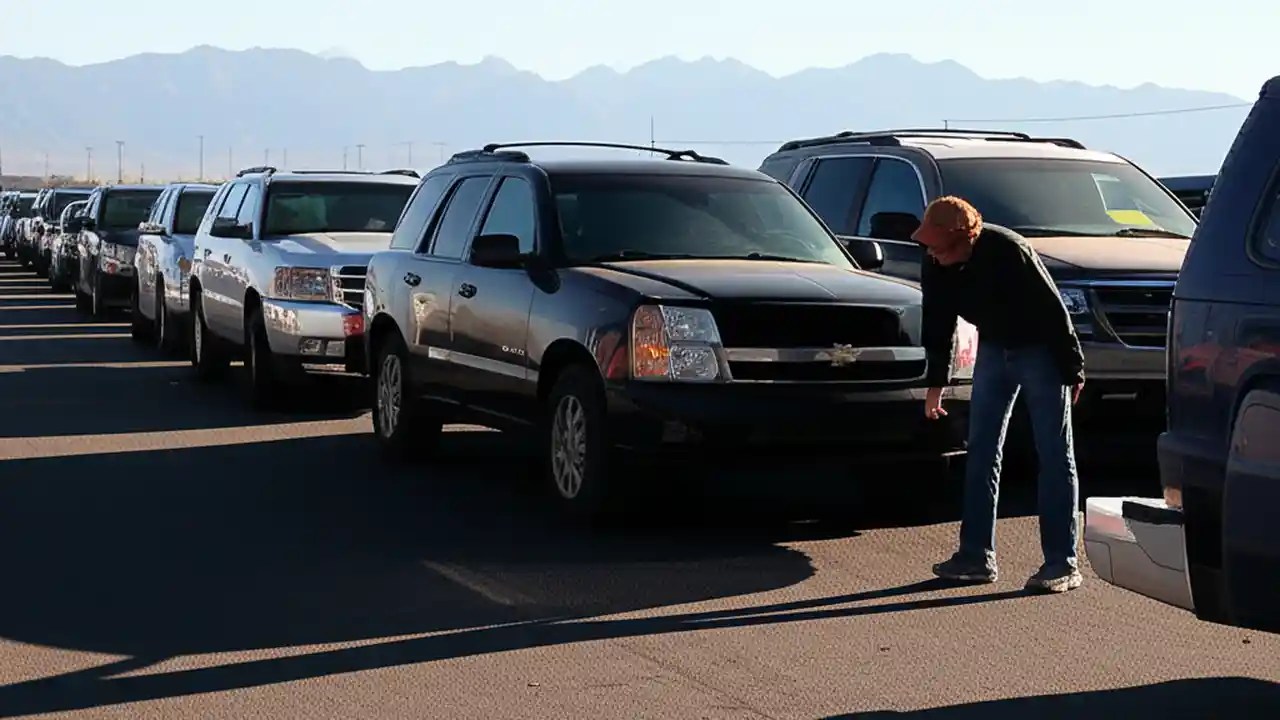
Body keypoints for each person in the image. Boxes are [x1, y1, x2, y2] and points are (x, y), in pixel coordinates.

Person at [914, 196, 1086, 594]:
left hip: (1040, 349)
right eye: (928, 244)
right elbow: (937, 322)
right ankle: (976, 557)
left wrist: (1073, 369)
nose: (931, 253)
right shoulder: (934, 260)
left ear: (963, 238)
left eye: (938, 245)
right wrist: (935, 385)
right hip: (994, 349)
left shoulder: (1009, 250)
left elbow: (1052, 310)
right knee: (981, 448)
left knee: (1054, 453)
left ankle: (1062, 563)